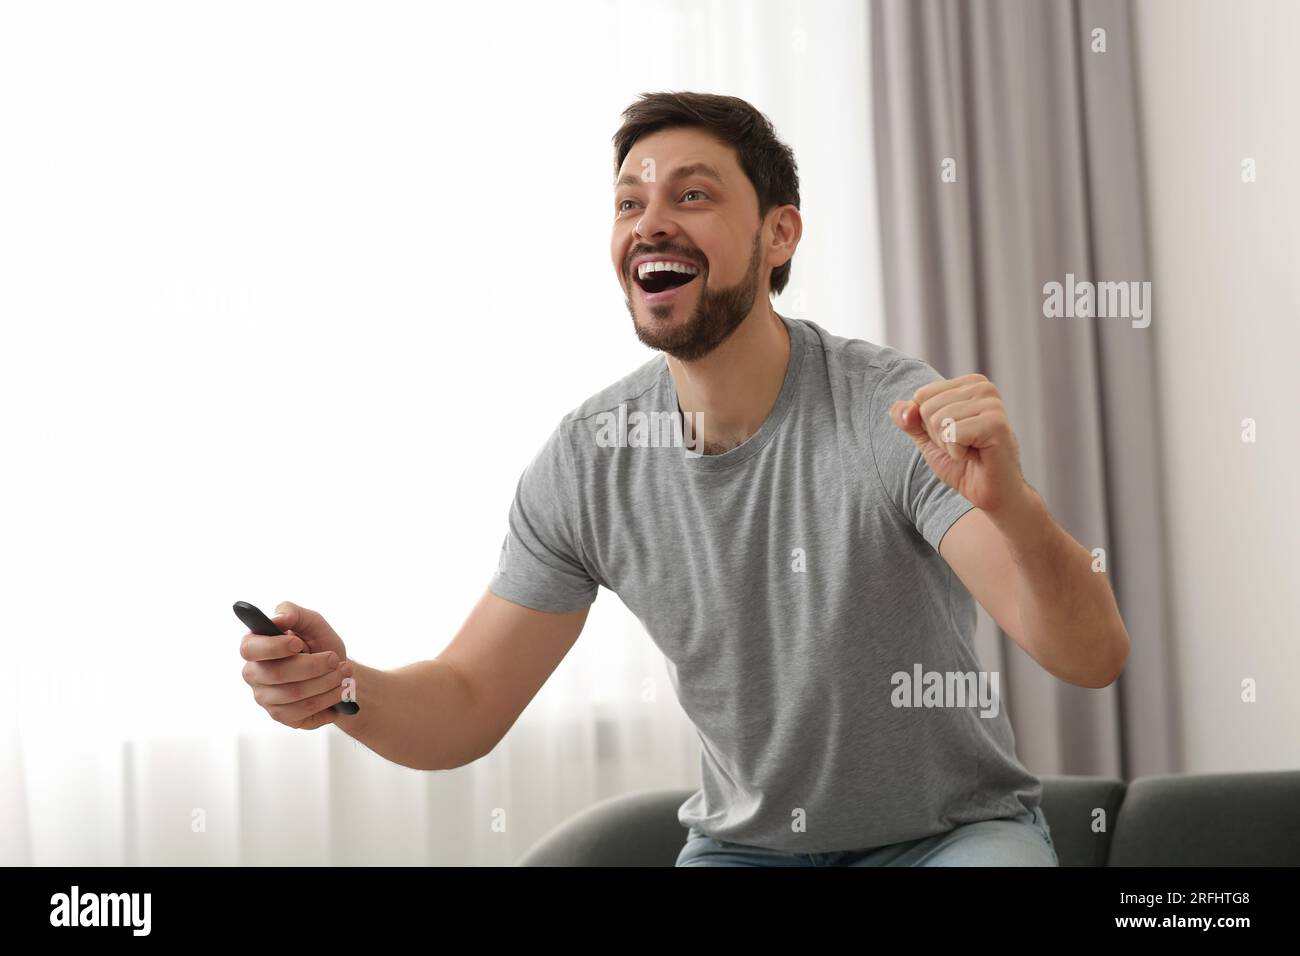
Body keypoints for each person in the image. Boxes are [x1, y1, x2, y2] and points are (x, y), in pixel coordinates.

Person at [238, 91, 1129, 866]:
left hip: (951, 837)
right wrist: (341, 688)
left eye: (691, 194)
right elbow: (468, 701)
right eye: (630, 201)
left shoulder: (891, 413)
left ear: (778, 233)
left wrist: (1013, 507)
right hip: (747, 851)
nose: (649, 222)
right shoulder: (589, 460)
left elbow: (1092, 658)